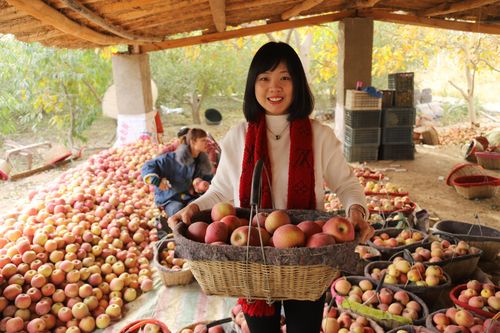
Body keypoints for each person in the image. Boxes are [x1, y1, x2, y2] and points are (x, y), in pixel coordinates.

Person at [168, 42, 374, 333]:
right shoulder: (238, 136)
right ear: (253, 85)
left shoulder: (319, 135)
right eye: (264, 78)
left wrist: (356, 210)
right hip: (252, 255)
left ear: (298, 83)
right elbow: (220, 191)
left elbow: (346, 184)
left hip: (306, 256)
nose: (274, 87)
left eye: (284, 78)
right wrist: (192, 207)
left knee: (305, 328)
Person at [141, 128, 213, 217]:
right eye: (203, 140)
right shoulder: (171, 158)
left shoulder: (203, 162)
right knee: (178, 212)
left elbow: (210, 181)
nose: (207, 142)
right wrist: (156, 181)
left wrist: (203, 186)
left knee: (198, 212)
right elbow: (148, 166)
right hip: (170, 199)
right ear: (193, 142)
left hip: (190, 197)